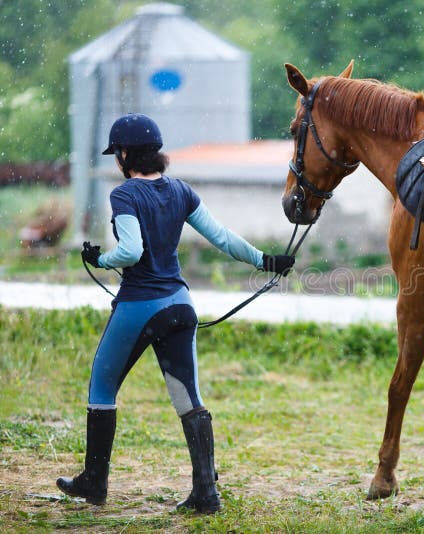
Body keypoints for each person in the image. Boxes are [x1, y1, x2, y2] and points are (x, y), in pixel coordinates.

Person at [57, 113, 294, 513]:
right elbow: (221, 237)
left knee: (102, 388)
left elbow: (130, 252)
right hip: (180, 305)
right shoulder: (181, 190)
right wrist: (265, 260)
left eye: (117, 153)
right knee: (189, 399)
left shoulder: (125, 194)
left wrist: (100, 260)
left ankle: (94, 481)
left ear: (125, 154)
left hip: (140, 305)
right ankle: (206, 493)